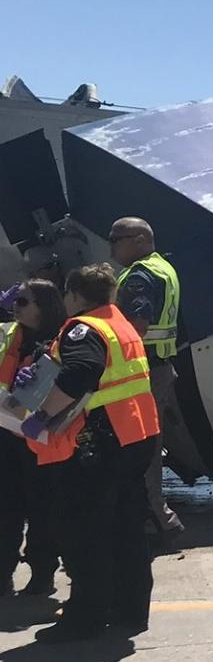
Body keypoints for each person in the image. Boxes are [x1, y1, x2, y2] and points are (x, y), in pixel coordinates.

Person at [20, 263, 161, 642]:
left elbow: (82, 371)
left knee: (85, 529)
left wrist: (44, 413)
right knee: (126, 525)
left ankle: (85, 616)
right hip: (137, 434)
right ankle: (131, 609)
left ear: (75, 295)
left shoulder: (82, 329)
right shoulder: (120, 324)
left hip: (101, 440)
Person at [109, 216, 186, 544]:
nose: (111, 245)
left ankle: (157, 519)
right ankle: (154, 517)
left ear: (140, 239)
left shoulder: (140, 276)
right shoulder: (163, 268)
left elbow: (136, 325)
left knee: (141, 449)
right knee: (147, 446)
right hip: (157, 369)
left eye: (117, 239)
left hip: (143, 373)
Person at [0, 280, 65, 597]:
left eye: (24, 301)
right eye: (15, 300)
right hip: (5, 433)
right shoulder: (10, 334)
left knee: (42, 510)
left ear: (44, 306)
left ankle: (42, 575)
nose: (16, 306)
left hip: (39, 439)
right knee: (5, 509)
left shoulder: (60, 342)